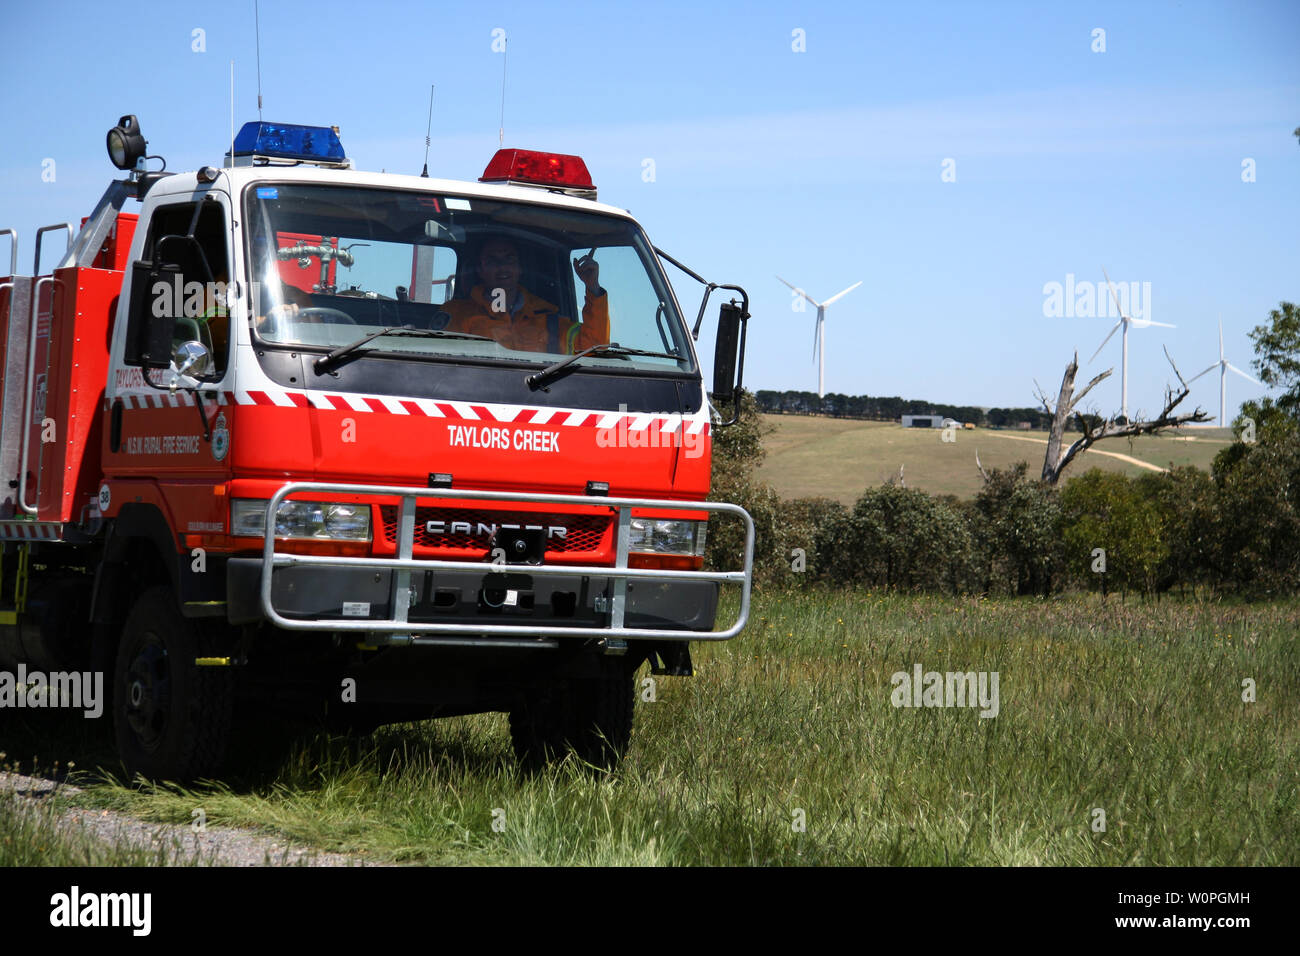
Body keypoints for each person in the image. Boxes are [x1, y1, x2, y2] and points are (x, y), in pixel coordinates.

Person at [440, 237, 608, 353]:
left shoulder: (551, 322)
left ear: (520, 268)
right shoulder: (456, 314)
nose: (502, 267)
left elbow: (596, 349)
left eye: (509, 259)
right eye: (492, 261)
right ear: (480, 270)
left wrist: (593, 288)